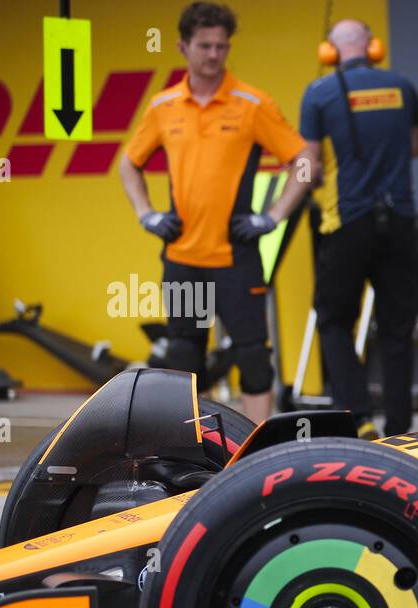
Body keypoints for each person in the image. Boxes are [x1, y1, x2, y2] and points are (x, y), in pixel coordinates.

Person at [118, 2, 317, 423]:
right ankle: (197, 444)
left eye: (221, 47)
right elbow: (128, 163)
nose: (213, 55)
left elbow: (304, 162)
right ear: (183, 46)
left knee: (253, 355)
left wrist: (273, 216)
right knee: (184, 355)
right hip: (183, 257)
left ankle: (258, 446)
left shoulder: (251, 103)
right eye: (204, 46)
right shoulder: (163, 106)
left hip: (236, 259)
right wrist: (146, 214)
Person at [299, 19, 418, 440]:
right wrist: (395, 157)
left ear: (331, 51)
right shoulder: (399, 85)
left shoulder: (319, 92)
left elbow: (307, 162)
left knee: (334, 321)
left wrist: (312, 175)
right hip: (399, 221)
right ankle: (400, 428)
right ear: (372, 47)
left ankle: (358, 418)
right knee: (396, 325)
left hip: (347, 223)